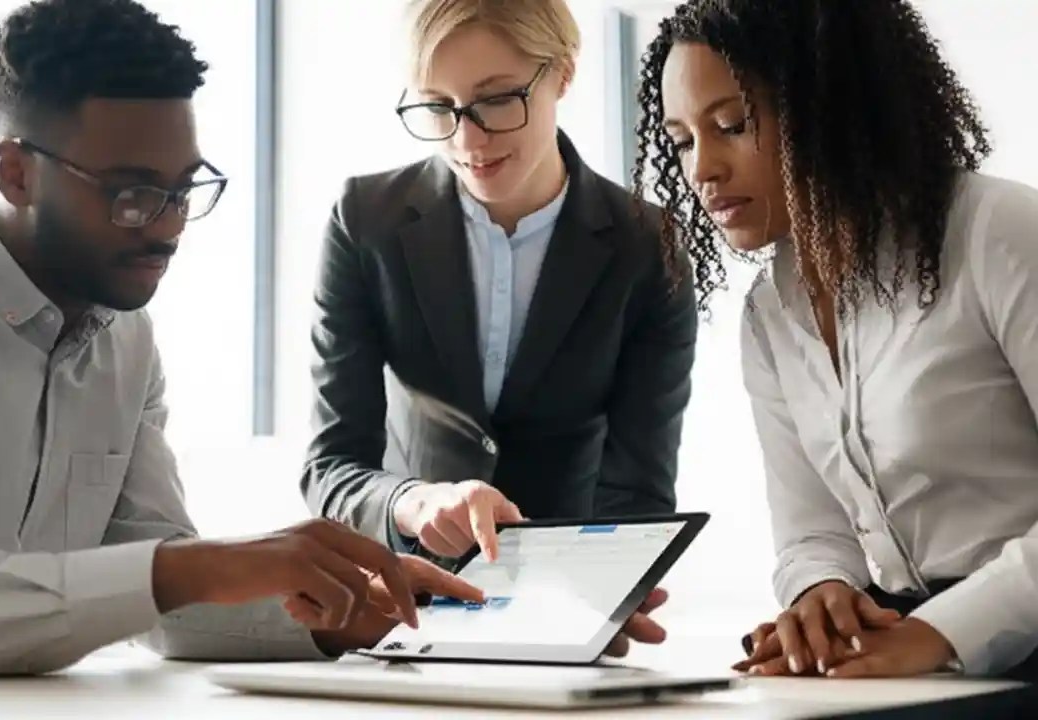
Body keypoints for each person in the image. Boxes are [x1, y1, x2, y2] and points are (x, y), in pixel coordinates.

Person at [0, 0, 488, 680]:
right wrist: (193, 567)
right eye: (131, 193)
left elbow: (160, 603)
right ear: (16, 173)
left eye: (184, 188)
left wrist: (339, 615)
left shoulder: (126, 341)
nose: (168, 225)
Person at [636, 0, 1038, 680]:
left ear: (831, 108)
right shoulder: (769, 313)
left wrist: (943, 631)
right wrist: (821, 594)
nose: (702, 168)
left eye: (733, 124)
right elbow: (812, 529)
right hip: (906, 657)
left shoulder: (996, 232)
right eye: (680, 140)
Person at [300, 0, 698, 571]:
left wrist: (608, 590)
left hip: (568, 590)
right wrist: (415, 503)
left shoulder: (649, 247)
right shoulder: (365, 224)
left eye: (495, 99)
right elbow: (330, 466)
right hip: (405, 583)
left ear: (563, 71)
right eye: (439, 107)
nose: (468, 140)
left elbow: (639, 484)